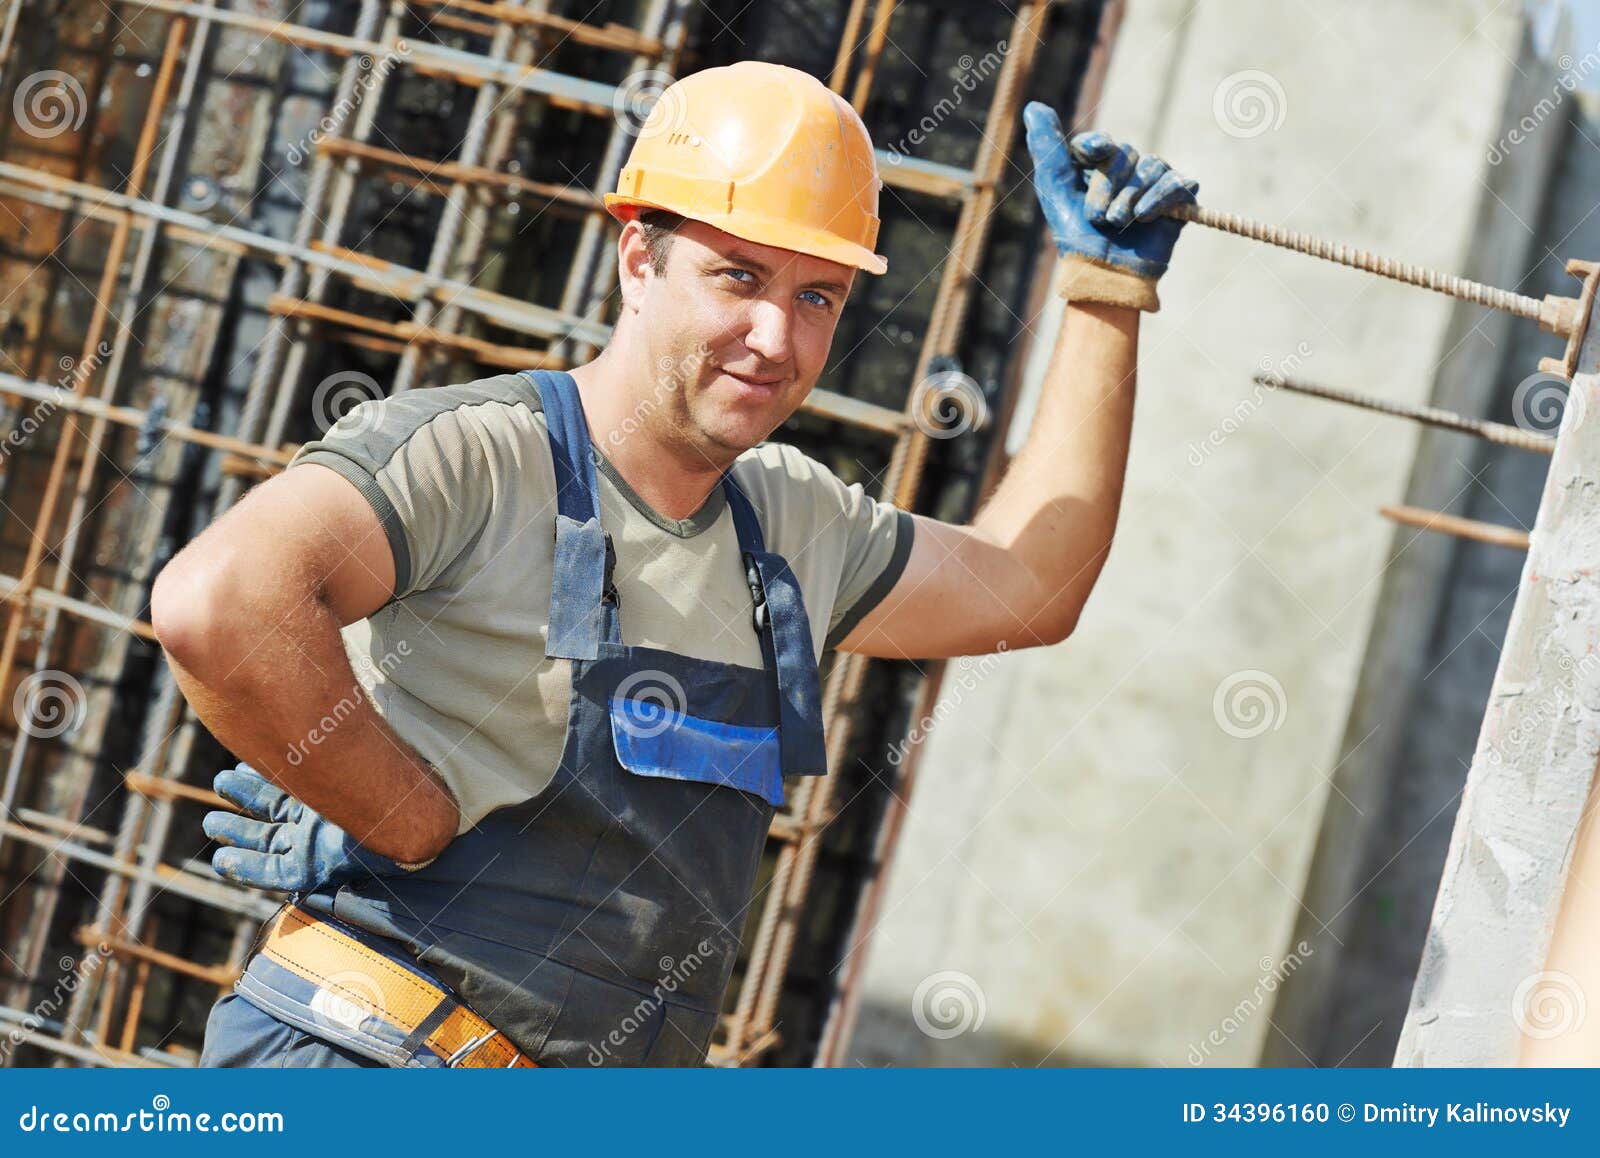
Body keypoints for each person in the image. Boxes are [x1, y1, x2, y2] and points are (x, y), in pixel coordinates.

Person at [151, 60, 1198, 1068]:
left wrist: (1102, 293)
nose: (772, 337)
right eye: (737, 276)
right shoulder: (480, 454)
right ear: (638, 259)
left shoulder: (788, 522)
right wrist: (398, 810)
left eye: (817, 297)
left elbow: (1029, 588)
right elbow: (221, 601)